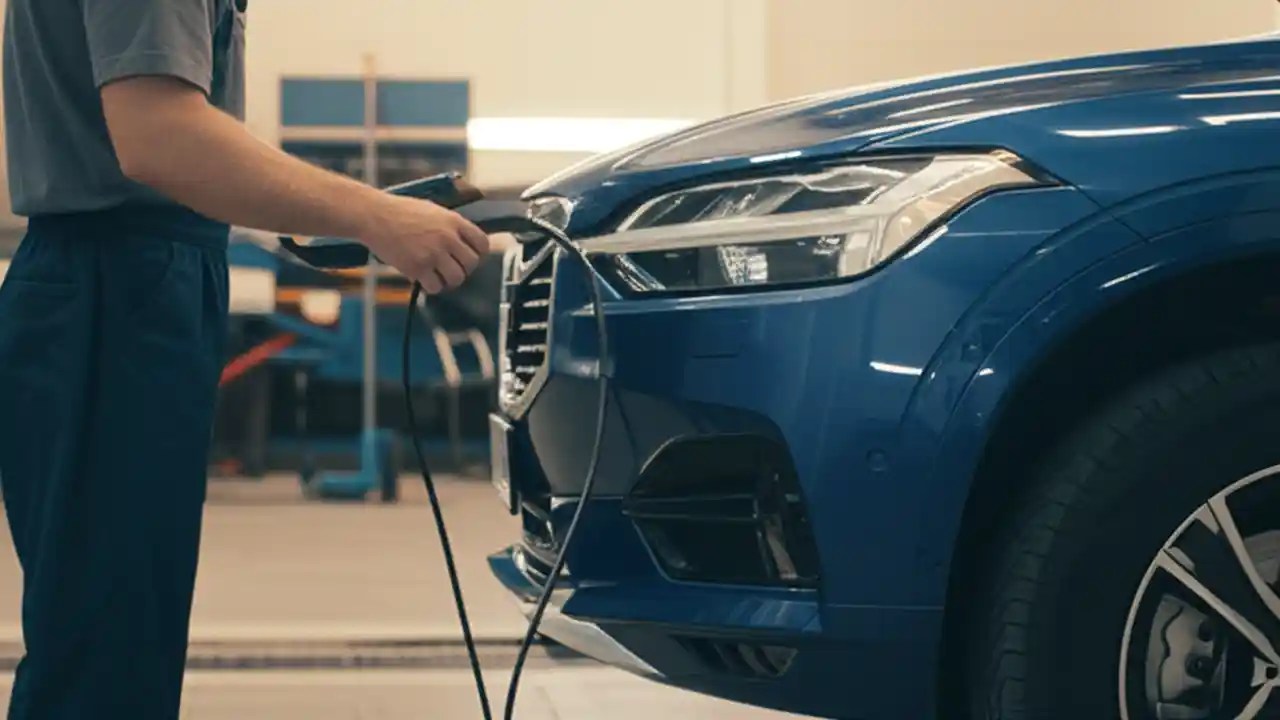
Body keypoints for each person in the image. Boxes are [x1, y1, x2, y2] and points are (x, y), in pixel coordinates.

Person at [0, 0, 489, 717]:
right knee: (106, 659)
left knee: (113, 640)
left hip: (128, 275)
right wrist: (374, 216)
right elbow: (160, 134)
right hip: (120, 284)